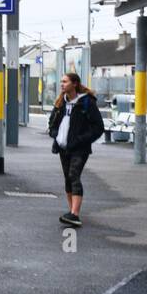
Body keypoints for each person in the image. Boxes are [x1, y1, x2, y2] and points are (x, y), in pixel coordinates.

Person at [47, 72, 104, 228]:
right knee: (68, 178)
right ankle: (71, 212)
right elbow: (52, 122)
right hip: (63, 147)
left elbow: (98, 127)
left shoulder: (86, 102)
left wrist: (80, 140)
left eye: (65, 82)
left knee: (74, 175)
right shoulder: (61, 102)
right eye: (61, 82)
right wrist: (54, 134)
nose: (62, 84)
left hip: (79, 148)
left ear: (74, 84)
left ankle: (75, 214)